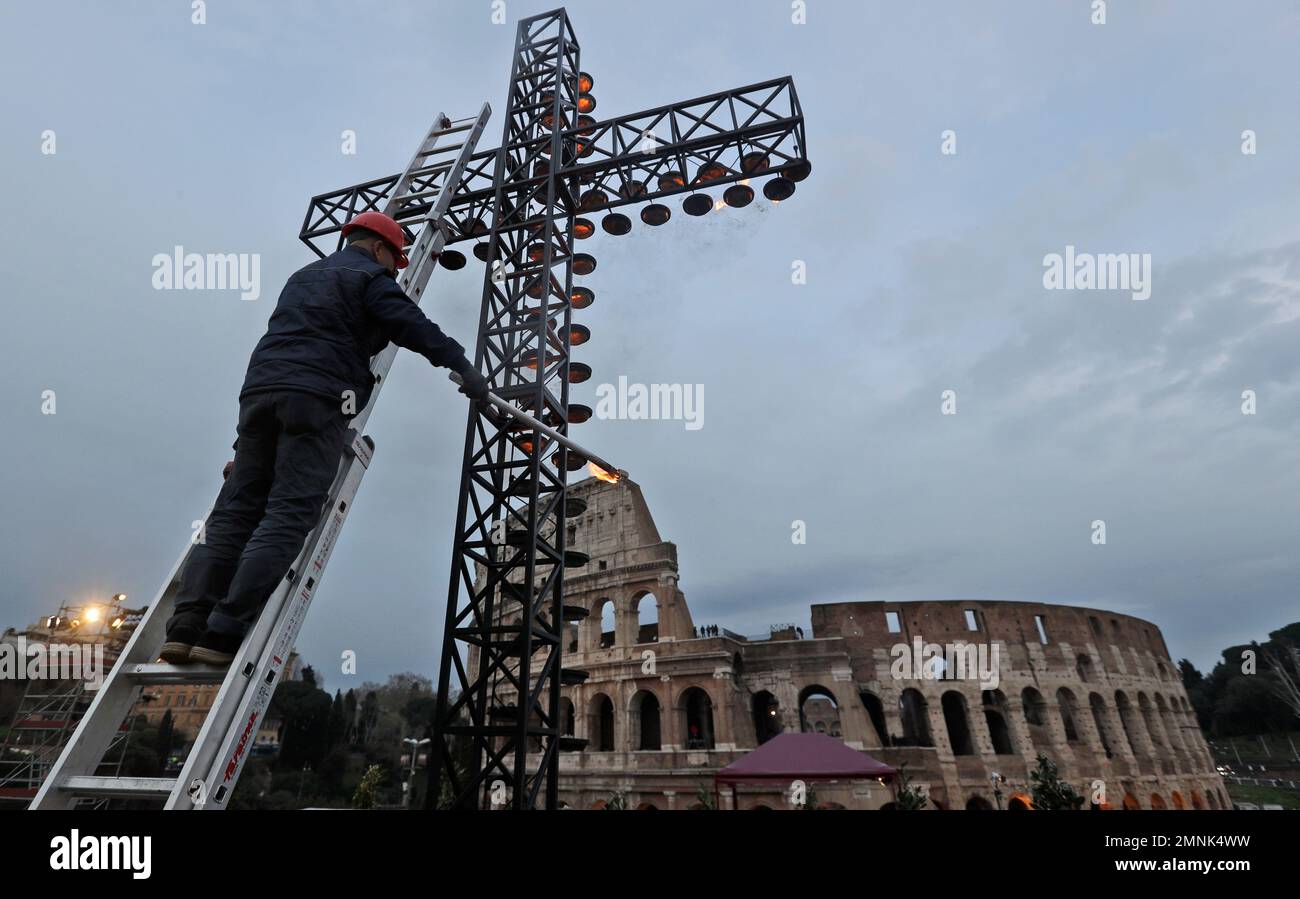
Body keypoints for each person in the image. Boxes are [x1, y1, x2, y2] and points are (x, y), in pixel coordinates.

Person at [160, 211, 488, 666]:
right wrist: (462, 365)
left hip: (259, 395)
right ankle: (222, 633)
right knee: (289, 512)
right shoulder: (371, 277)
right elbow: (411, 325)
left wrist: (242, 449)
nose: (396, 269)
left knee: (233, 514)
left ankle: (183, 627)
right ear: (379, 249)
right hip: (317, 398)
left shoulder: (301, 277)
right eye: (396, 260)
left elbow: (290, 340)